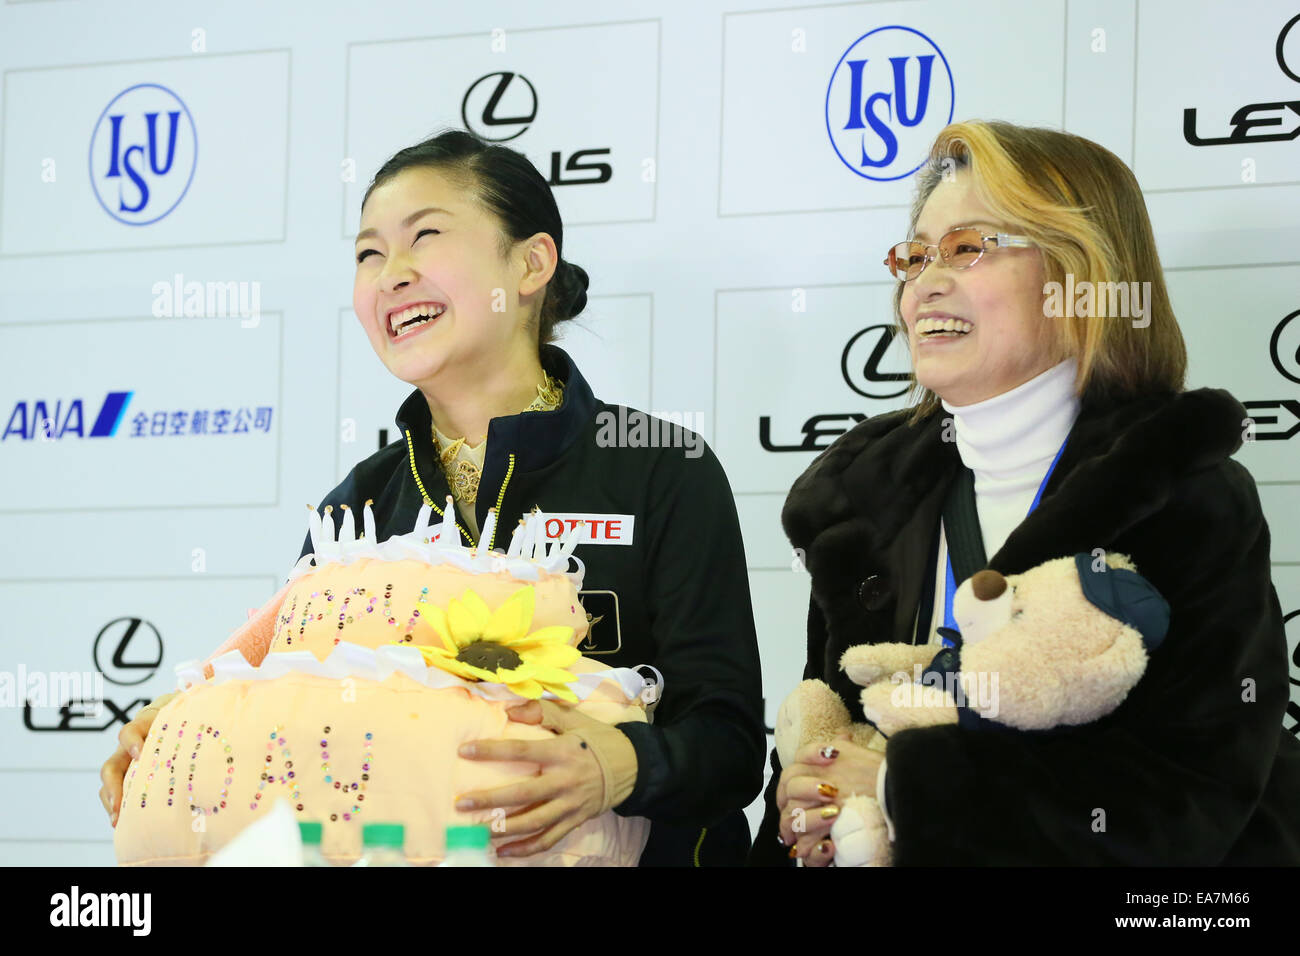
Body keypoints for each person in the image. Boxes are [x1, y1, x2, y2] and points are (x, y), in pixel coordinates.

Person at [101, 129, 766, 866]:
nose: (391, 274)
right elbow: (292, 705)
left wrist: (622, 766)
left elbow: (730, 744)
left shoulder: (661, 469)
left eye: (425, 237)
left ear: (530, 263)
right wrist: (174, 737)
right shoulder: (355, 506)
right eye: (368, 253)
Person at [751, 120, 1300, 866]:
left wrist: (902, 792)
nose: (927, 281)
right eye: (915, 256)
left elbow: (1187, 800)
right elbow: (835, 732)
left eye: (970, 248)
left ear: (1081, 275)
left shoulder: (1186, 496)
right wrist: (809, 810)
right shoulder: (860, 503)